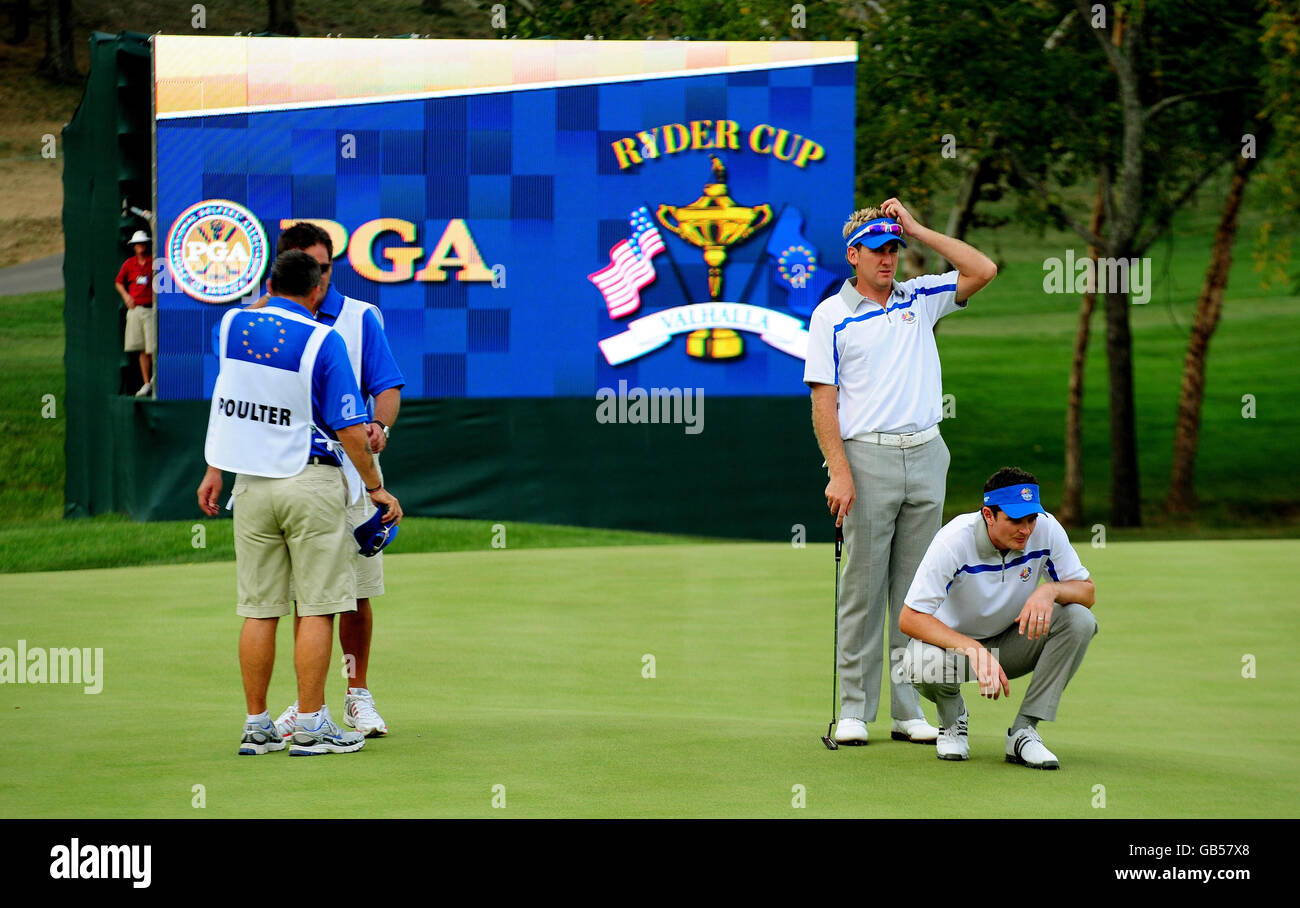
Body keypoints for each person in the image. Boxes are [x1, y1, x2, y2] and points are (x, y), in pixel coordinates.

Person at [803, 199, 997, 745]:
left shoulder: (922, 296)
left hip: (927, 453)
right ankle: (853, 709)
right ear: (853, 255)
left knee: (916, 595)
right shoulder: (831, 317)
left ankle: (907, 708)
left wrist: (917, 228)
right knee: (862, 589)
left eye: (895, 249)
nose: (889, 259)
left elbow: (983, 270)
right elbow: (824, 401)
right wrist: (838, 472)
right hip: (866, 458)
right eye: (879, 249)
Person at [196, 250, 402, 757]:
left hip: (250, 483)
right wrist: (374, 486)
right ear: (316, 292)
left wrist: (213, 467)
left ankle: (257, 726)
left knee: (260, 609)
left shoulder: (230, 326)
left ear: (269, 284)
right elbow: (353, 430)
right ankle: (311, 724)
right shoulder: (323, 338)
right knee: (317, 607)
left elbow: (228, 400)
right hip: (308, 482)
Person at [262, 223, 405, 740]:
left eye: (324, 267)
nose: (317, 277)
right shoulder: (257, 321)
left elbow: (385, 385)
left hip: (351, 474)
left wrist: (379, 426)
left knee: (358, 594)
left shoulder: (360, 316)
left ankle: (356, 695)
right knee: (307, 597)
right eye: (307, 267)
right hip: (284, 474)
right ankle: (308, 707)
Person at [897, 467, 1097, 769]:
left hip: (1011, 644)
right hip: (952, 652)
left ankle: (1024, 732)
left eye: (1031, 519)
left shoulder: (1046, 528)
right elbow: (910, 618)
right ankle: (952, 720)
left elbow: (1087, 593)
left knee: (1080, 619)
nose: (1026, 530)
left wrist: (1050, 591)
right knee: (918, 663)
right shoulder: (953, 540)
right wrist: (973, 649)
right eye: (1015, 520)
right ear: (988, 515)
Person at [115, 230, 155, 397]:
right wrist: (126, 296)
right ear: (134, 246)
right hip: (135, 309)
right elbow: (118, 282)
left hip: (150, 309)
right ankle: (147, 383)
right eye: (138, 244)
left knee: (153, 346)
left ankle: (156, 378)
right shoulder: (129, 264)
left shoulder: (153, 261)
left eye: (143, 243)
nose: (140, 246)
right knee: (142, 348)